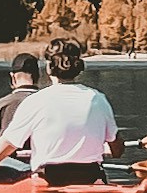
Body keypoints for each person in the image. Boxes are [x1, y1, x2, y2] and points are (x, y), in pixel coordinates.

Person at [6, 38, 123, 185]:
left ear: (49, 67)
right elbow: (117, 151)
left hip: (48, 182)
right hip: (90, 178)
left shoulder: (35, 101)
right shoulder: (99, 99)